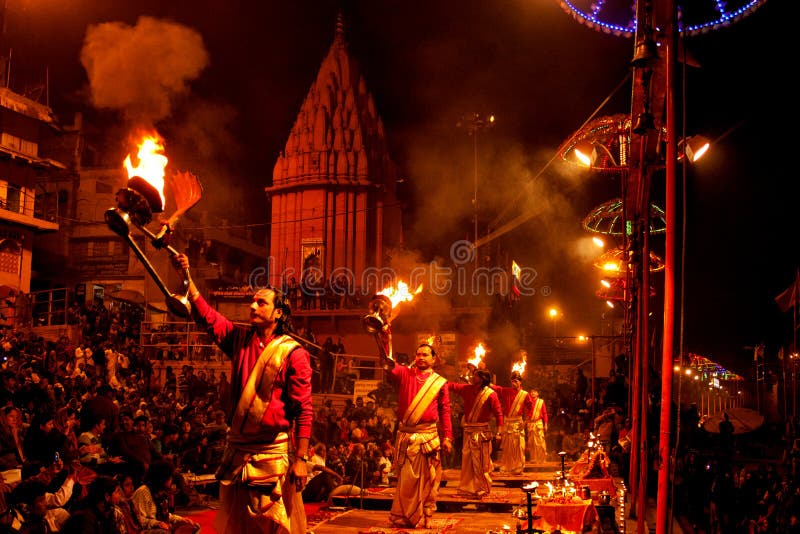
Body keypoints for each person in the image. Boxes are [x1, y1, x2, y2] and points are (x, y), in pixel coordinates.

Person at [173, 253, 312, 534]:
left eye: (261, 302)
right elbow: (206, 315)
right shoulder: (238, 339)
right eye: (253, 300)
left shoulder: (294, 353)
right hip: (238, 451)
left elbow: (304, 409)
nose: (252, 305)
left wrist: (301, 459)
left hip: (272, 454)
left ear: (278, 313)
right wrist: (185, 276)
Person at [381, 341, 453, 529]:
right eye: (418, 354)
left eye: (425, 354)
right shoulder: (405, 373)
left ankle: (425, 515)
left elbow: (445, 411)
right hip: (407, 437)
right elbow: (387, 362)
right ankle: (402, 516)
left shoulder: (440, 383)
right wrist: (383, 335)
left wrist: (447, 437)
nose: (421, 357)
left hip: (428, 438)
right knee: (406, 481)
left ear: (434, 359)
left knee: (429, 480)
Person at [448, 368, 503, 497]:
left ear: (483, 379)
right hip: (468, 431)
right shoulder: (467, 389)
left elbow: (499, 414)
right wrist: (434, 378)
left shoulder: (491, 394)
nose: (472, 377)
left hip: (482, 433)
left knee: (481, 463)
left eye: (476, 376)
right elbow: (451, 386)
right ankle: (467, 488)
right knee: (467, 461)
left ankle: (482, 488)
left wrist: (499, 432)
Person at [491, 370, 533, 475]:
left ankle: (518, 468)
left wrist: (525, 422)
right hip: (508, 423)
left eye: (516, 381)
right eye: (512, 381)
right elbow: (497, 388)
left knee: (519, 447)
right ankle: (508, 467)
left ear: (520, 382)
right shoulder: (506, 391)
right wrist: (487, 383)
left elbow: (530, 409)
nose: (514, 383)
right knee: (508, 447)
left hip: (518, 423)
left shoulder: (525, 394)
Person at [526, 389, 548, 463]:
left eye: (534, 392)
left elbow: (544, 413)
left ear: (538, 393)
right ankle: (533, 458)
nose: (532, 393)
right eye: (531, 392)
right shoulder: (528, 402)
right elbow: (527, 413)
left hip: (538, 423)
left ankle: (541, 458)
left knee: (540, 441)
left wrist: (546, 424)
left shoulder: (541, 402)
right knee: (531, 442)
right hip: (530, 424)